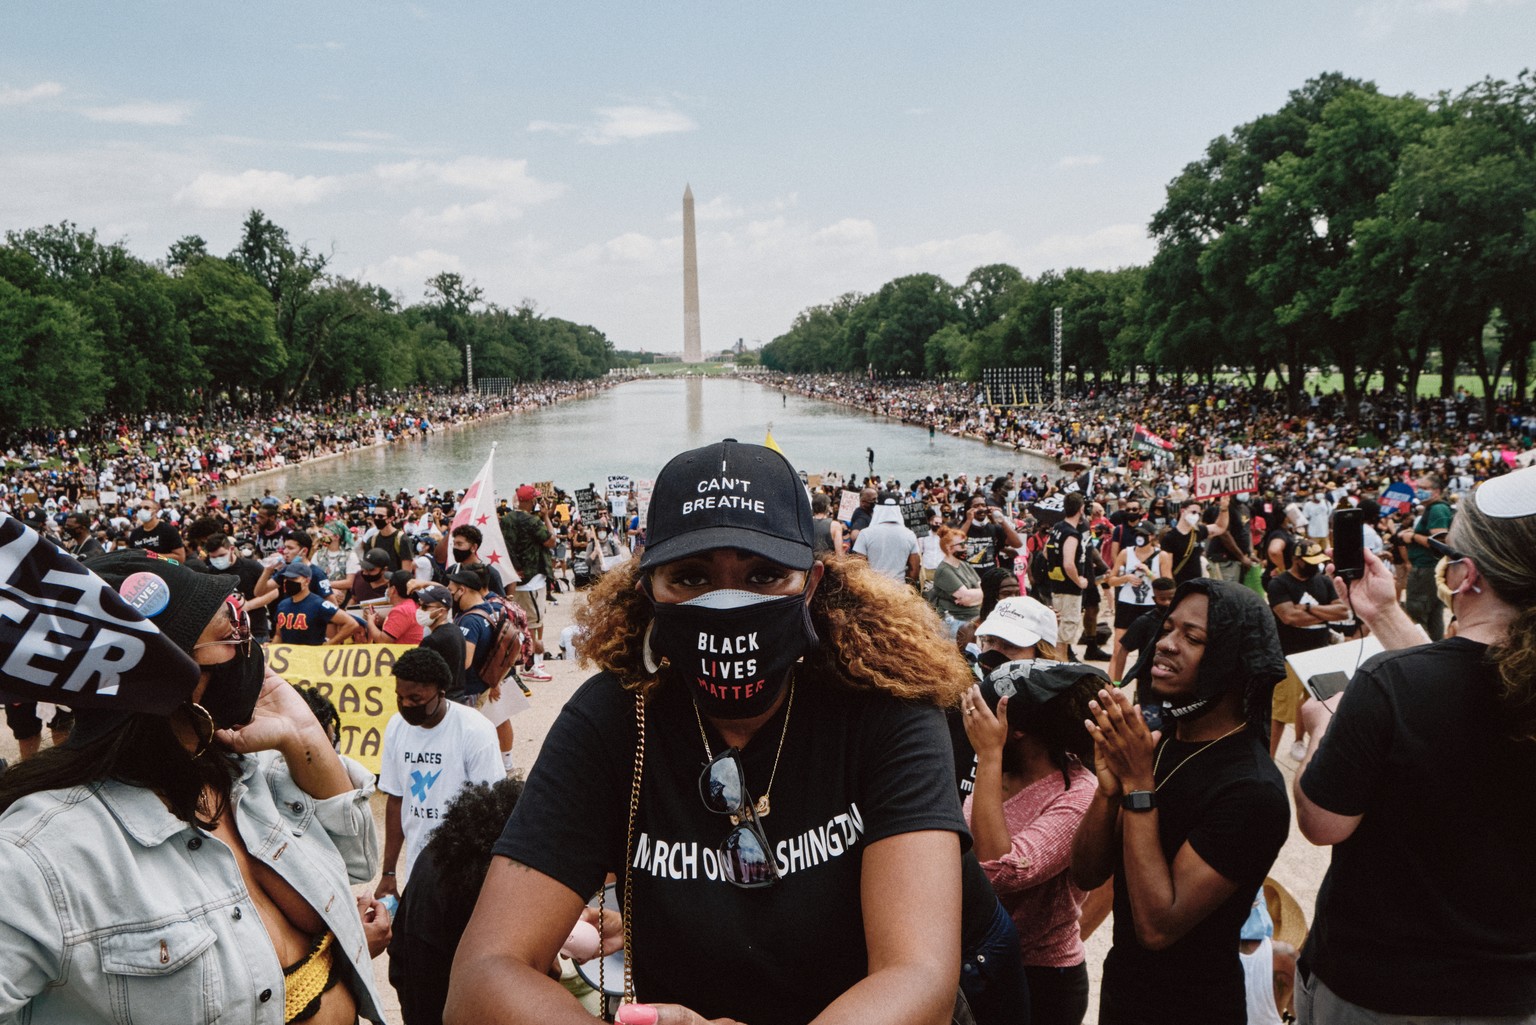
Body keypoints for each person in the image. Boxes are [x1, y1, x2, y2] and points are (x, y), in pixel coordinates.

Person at [447, 439, 971, 1025]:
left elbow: (919, 974)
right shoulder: (615, 719)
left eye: (765, 575)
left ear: (814, 584)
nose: (729, 602)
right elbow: (481, 977)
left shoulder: (885, 707)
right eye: (692, 578)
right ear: (648, 589)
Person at [0, 544, 387, 1024]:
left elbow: (358, 858)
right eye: (231, 633)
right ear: (168, 679)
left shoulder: (249, 772)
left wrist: (303, 733)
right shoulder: (40, 857)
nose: (249, 651)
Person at [1294, 468, 1536, 1022]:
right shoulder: (1408, 681)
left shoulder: (1390, 683)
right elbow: (1463, 682)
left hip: (1380, 989)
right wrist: (1382, 612)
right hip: (1511, 992)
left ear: (1465, 575)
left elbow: (1323, 821)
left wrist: (1320, 729)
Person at [1070, 579, 1290, 1024]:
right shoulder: (1162, 742)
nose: (1166, 645)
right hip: (1124, 996)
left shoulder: (1252, 790)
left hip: (1193, 1008)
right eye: (1167, 629)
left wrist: (1137, 785)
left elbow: (1157, 925)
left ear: (1232, 658)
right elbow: (1088, 872)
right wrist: (1109, 792)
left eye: (1193, 638)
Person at [962, 648, 1103, 1025]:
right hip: (982, 963)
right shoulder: (1003, 773)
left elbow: (998, 873)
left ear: (1016, 729)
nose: (972, 721)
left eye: (984, 714)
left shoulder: (1077, 795)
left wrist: (988, 756)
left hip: (1041, 979)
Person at [376, 648, 502, 902]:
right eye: (400, 698)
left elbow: (492, 810)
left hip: (462, 869)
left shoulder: (476, 731)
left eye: (416, 699)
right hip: (418, 867)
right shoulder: (396, 728)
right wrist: (389, 872)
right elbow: (396, 800)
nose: (407, 706)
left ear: (440, 693)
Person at [1265, 539, 1349, 760]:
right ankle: (1269, 757)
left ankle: (1300, 741)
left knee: (1317, 702)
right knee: (1281, 712)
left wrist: (1309, 608)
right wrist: (1324, 611)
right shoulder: (1279, 584)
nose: (1315, 566)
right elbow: (1289, 617)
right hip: (1289, 656)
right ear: (1296, 559)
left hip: (1320, 653)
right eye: (1309, 561)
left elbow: (1343, 611)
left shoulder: (1323, 581)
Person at [502, 485, 555, 682]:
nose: (536, 502)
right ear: (527, 501)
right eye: (534, 499)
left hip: (517, 579)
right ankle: (531, 664)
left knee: (523, 622)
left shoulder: (506, 520)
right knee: (533, 622)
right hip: (532, 580)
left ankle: (531, 660)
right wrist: (547, 517)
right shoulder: (532, 521)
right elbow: (551, 541)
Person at [1394, 471, 1453, 642]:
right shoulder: (1433, 508)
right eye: (1418, 487)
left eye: (1424, 488)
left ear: (1436, 491)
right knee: (1434, 613)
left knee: (1417, 613)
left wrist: (1412, 537)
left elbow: (1440, 541)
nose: (1420, 491)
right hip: (1430, 568)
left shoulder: (1437, 509)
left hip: (1426, 569)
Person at [1106, 527, 1159, 683]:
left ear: (1152, 536)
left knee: (1147, 652)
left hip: (1150, 605)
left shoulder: (1160, 555)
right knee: (1119, 649)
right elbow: (1111, 580)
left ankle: (1143, 689)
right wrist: (1126, 578)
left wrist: (1148, 573)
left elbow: (1167, 584)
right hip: (1127, 604)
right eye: (1137, 534)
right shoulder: (1126, 553)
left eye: (1143, 534)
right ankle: (1113, 686)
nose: (1140, 538)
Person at [1042, 495, 1090, 661]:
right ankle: (1061, 668)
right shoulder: (1072, 534)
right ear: (1081, 509)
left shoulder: (1057, 527)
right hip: (1069, 589)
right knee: (1063, 636)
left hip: (1056, 585)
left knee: (1059, 630)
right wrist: (1080, 581)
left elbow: (1046, 553)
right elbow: (1069, 564)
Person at [273, 560, 357, 646]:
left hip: (312, 656)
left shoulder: (319, 604)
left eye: (294, 578)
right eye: (286, 578)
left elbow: (351, 624)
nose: (288, 581)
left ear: (307, 581)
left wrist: (329, 644)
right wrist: (271, 650)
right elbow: (278, 635)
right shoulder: (282, 605)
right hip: (288, 656)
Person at [415, 585, 467, 700]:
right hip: (457, 699)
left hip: (441, 703)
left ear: (441, 611)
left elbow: (420, 677)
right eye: (419, 604)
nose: (419, 610)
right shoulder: (456, 630)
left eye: (425, 606)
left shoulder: (432, 641)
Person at [852, 498, 921, 585]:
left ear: (877, 510)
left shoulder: (865, 534)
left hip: (872, 591)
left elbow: (859, 566)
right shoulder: (909, 535)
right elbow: (914, 568)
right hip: (900, 591)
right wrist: (909, 588)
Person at [932, 525, 985, 637]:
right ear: (948, 547)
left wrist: (972, 597)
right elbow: (966, 598)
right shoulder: (944, 571)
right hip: (956, 622)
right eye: (961, 545)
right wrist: (974, 596)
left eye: (965, 543)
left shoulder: (965, 565)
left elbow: (983, 589)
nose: (965, 547)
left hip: (973, 618)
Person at [127, 498, 187, 562]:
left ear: (156, 511)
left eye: (146, 508)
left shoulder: (169, 530)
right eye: (139, 508)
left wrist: (154, 556)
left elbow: (180, 559)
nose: (142, 510)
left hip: (164, 570)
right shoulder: (135, 534)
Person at [810, 492, 845, 557]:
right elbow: (839, 554)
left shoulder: (806, 523)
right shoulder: (835, 525)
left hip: (808, 563)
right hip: (827, 564)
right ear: (827, 507)